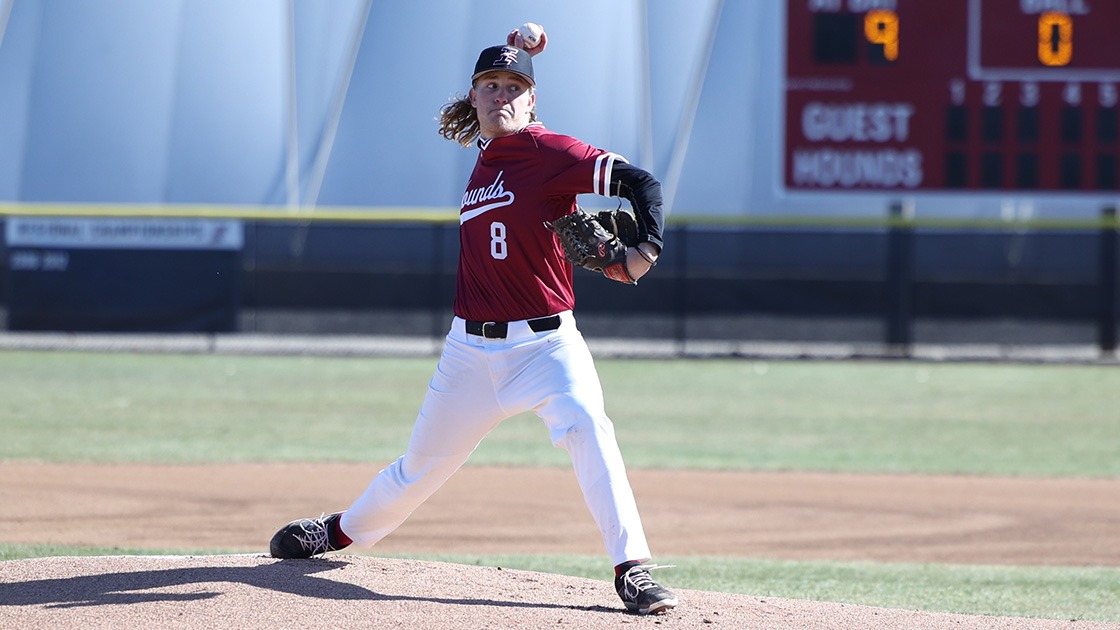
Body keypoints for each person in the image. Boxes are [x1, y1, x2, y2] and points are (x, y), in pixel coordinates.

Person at [269, 28, 677, 616]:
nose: (502, 95)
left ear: (533, 100)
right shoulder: (486, 160)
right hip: (468, 353)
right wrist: (520, 53)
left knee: (590, 427)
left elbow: (642, 184)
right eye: (491, 85)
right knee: (420, 468)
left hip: (547, 347)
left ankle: (632, 568)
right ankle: (338, 533)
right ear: (474, 96)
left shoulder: (551, 152)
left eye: (515, 87)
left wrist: (646, 249)